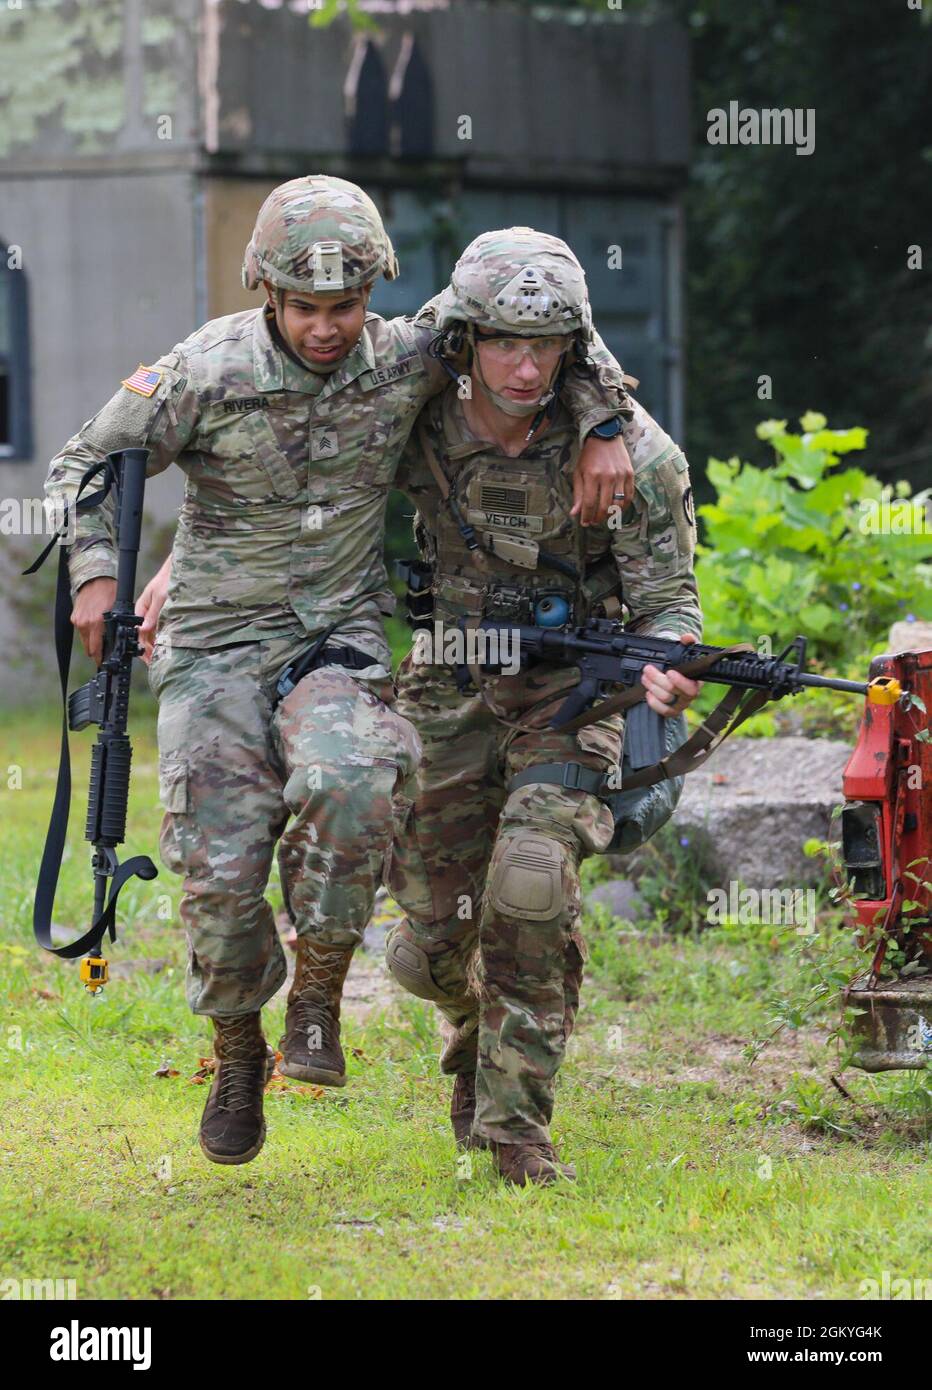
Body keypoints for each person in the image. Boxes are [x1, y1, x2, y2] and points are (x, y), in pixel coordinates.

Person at [47, 177, 634, 1166]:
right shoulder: (204, 369)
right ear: (267, 294)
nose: (327, 328)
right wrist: (100, 576)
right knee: (220, 870)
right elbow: (86, 466)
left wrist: (607, 420)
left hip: (335, 640)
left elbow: (538, 312)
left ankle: (317, 993)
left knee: (353, 777)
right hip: (215, 648)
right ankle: (239, 1048)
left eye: (346, 306)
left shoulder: (403, 356)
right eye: (307, 308)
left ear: (374, 295)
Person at [384, 228, 703, 1186]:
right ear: (466, 339)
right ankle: (474, 1024)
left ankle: (515, 1129)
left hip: (573, 693)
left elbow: (670, 605)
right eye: (505, 346)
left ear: (576, 344)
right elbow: (297, 474)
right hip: (446, 680)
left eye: (548, 347)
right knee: (429, 943)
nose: (527, 368)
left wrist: (671, 666)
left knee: (528, 882)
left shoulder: (635, 456)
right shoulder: (414, 411)